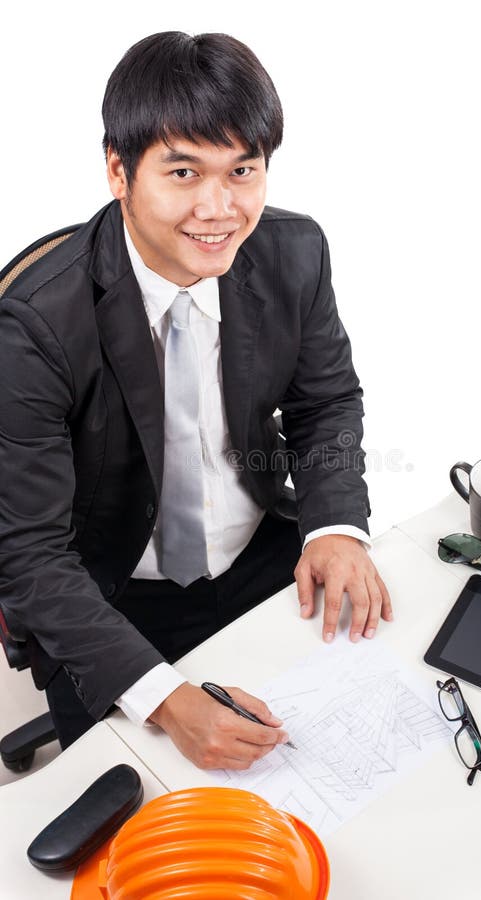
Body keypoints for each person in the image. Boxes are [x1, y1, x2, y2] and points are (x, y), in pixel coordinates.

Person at [0, 31, 392, 770]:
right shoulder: (33, 324)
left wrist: (335, 526)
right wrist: (165, 698)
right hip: (108, 591)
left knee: (357, 744)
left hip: (258, 554)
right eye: (183, 172)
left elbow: (325, 401)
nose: (219, 209)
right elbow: (30, 554)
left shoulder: (294, 254)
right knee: (160, 811)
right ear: (119, 171)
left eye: (242, 170)